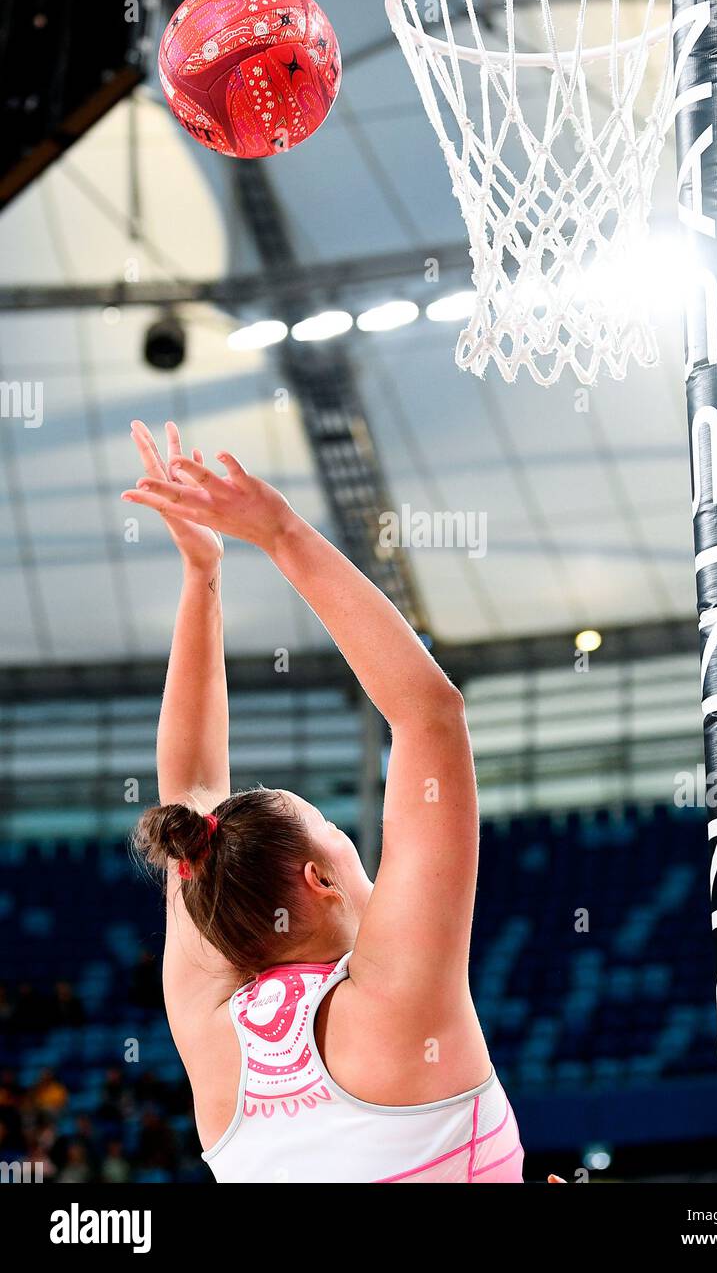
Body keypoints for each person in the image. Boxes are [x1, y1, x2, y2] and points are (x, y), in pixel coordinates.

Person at [125, 421, 524, 1184]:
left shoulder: (216, 1039)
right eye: (338, 833)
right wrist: (275, 533)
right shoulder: (398, 1003)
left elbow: (191, 784)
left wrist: (204, 576)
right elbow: (428, 712)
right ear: (320, 879)